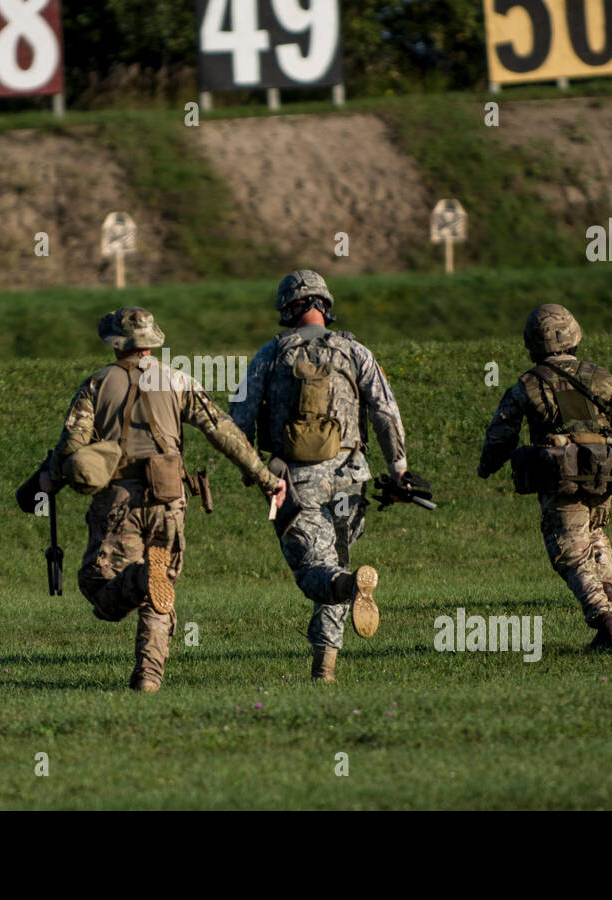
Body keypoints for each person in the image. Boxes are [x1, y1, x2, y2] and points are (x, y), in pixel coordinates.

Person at [44, 307, 285, 692]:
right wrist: (264, 477)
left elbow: (71, 446)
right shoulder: (178, 380)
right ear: (151, 342)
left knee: (96, 582)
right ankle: (149, 676)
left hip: (117, 499)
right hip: (170, 497)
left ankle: (140, 577)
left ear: (114, 343)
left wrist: (52, 477)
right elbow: (222, 430)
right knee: (162, 590)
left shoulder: (96, 385)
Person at [230, 271, 412, 682]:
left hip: (296, 482)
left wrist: (255, 472)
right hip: (352, 478)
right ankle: (324, 669)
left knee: (315, 572)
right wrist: (398, 470)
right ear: (325, 307)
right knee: (337, 561)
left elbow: (237, 423)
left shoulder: (270, 355)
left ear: (288, 309)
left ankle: (347, 591)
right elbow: (385, 411)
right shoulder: (356, 351)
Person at [477, 304, 612, 650]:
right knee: (596, 537)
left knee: (569, 553)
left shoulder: (527, 385)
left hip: (564, 483)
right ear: (574, 334)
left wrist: (487, 467)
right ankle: (610, 599)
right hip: (605, 480)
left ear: (532, 342)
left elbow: (500, 435)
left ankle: (605, 625)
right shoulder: (602, 377)